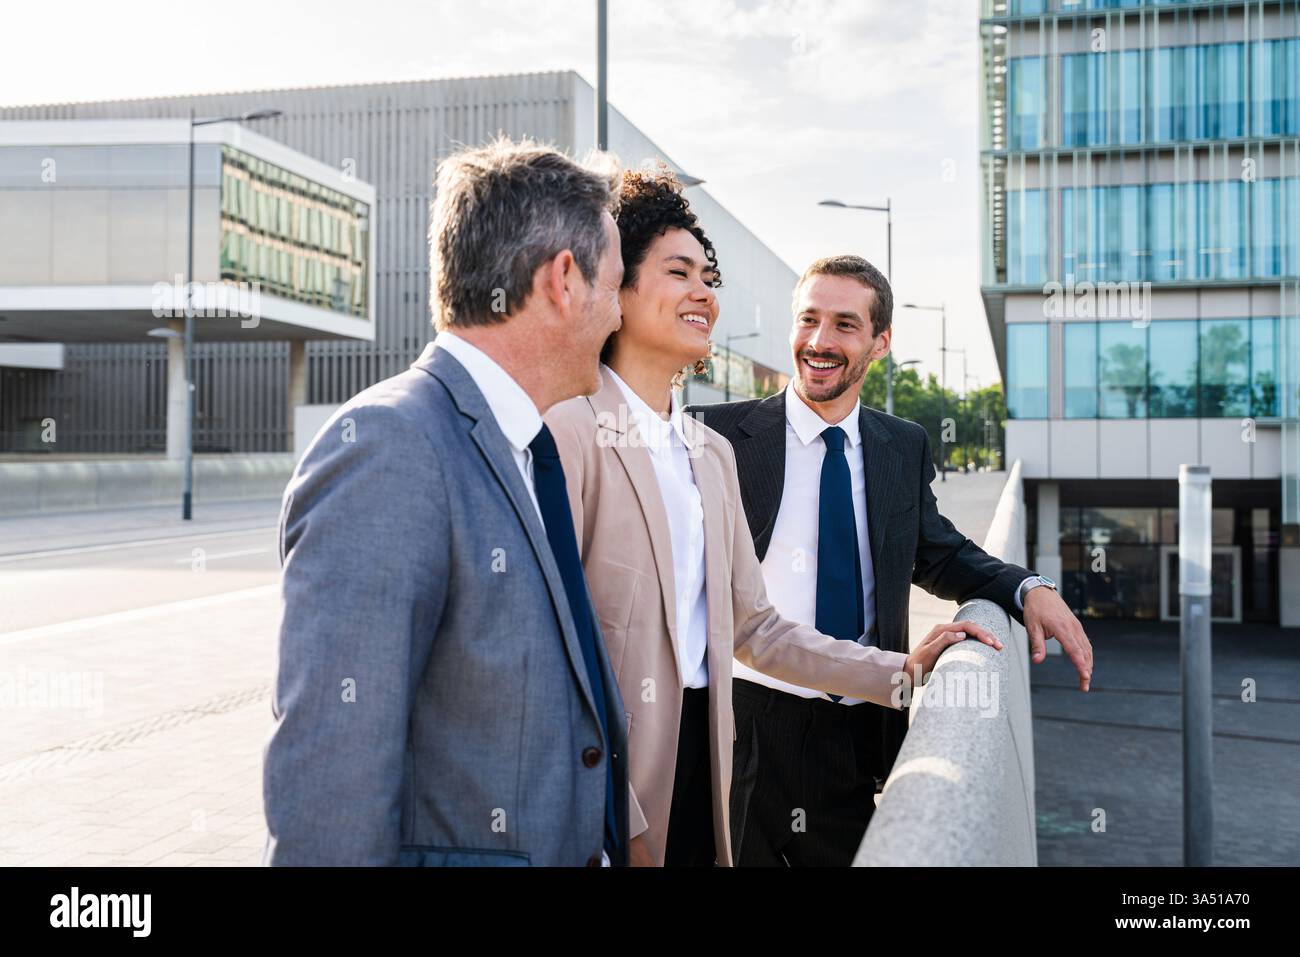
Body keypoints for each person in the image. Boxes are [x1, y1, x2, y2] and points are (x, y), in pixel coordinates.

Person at [544, 169, 998, 868]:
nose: (705, 293)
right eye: (679, 272)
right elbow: (547, 656)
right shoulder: (569, 433)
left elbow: (757, 629)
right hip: (611, 801)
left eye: (708, 276)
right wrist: (621, 818)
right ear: (617, 287)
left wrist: (901, 670)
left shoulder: (708, 453)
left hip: (705, 778)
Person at [263, 137, 630, 866]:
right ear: (563, 279)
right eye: (615, 286)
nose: (618, 315)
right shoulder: (391, 447)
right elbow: (332, 791)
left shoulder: (528, 447)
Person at [688, 254, 1095, 866]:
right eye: (808, 320)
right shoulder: (714, 436)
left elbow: (939, 553)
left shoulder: (899, 445)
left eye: (845, 325)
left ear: (880, 342)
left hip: (861, 723)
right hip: (748, 725)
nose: (820, 342)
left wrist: (1028, 586)